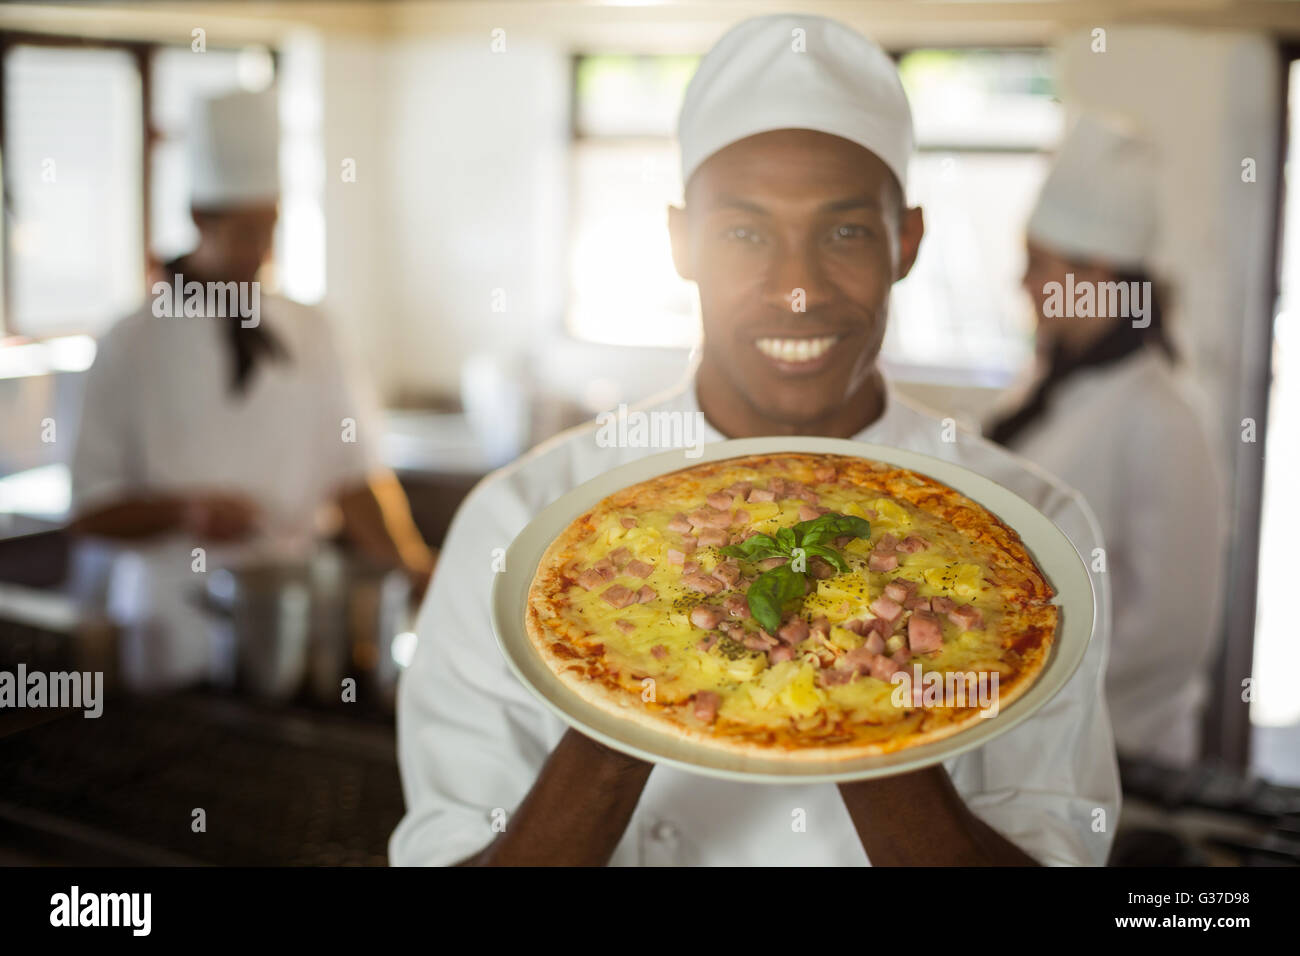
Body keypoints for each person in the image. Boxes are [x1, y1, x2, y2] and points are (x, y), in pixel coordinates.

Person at [392, 14, 1119, 866]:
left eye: (845, 231)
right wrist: (640, 658)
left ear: (907, 243)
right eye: (744, 232)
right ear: (679, 243)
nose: (799, 288)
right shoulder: (520, 526)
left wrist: (855, 674)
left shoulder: (1031, 535)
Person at [70, 89, 436, 691]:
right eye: (244, 231)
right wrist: (184, 511)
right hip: (174, 624)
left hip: (298, 615)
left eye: (270, 228)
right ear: (199, 218)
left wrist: (415, 564)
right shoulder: (130, 342)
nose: (261, 250)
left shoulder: (312, 329)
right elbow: (90, 512)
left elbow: (356, 475)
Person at [985, 115, 1225, 769]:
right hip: (1017, 730)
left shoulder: (1162, 417)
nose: (1023, 285)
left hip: (1108, 749)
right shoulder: (1048, 386)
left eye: (1038, 264)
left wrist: (1020, 689)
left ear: (1094, 272)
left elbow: (1168, 636)